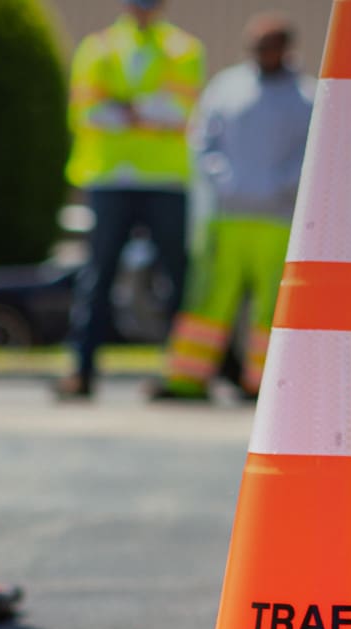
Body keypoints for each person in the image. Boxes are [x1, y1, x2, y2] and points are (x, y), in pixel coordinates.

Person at [159, 14, 313, 401]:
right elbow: (203, 141)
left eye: (269, 46)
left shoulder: (307, 96)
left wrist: (282, 185)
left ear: (286, 48)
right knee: (209, 300)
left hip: (278, 218)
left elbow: (313, 152)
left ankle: (265, 385)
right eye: (256, 47)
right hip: (228, 216)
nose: (261, 54)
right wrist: (221, 178)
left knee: (272, 307)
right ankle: (187, 379)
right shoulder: (227, 87)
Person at [57, 0, 204, 401]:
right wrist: (146, 113)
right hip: (111, 178)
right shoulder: (98, 48)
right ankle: (82, 372)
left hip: (164, 180)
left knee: (177, 278)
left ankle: (183, 376)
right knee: (97, 276)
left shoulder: (183, 49)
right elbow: (86, 112)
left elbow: (178, 112)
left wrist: (123, 109)